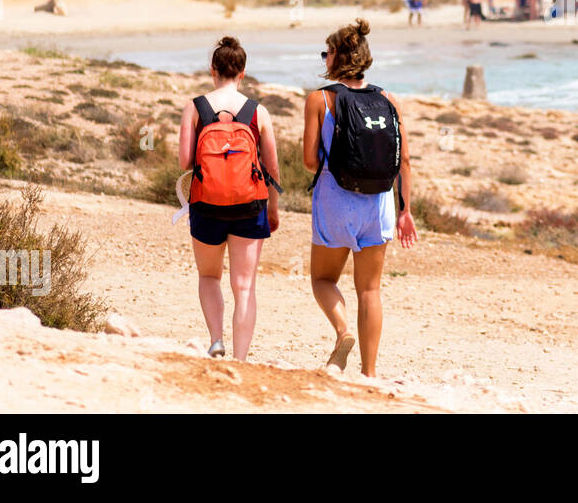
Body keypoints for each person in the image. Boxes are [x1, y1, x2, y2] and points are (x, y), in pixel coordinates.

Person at [303, 19, 418, 377]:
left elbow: (309, 162)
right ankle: (369, 375)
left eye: (328, 52)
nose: (325, 58)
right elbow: (405, 161)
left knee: (323, 280)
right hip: (380, 204)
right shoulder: (388, 99)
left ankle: (343, 332)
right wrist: (406, 211)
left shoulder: (320, 99)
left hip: (335, 202)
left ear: (338, 58)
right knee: (369, 289)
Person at [177, 36, 280, 361]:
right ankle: (241, 359)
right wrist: (273, 207)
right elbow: (273, 167)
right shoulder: (257, 111)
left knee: (209, 275)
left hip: (206, 204)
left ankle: (216, 340)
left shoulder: (196, 107)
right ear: (242, 73)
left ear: (212, 70)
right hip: (250, 206)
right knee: (244, 285)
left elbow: (184, 161)